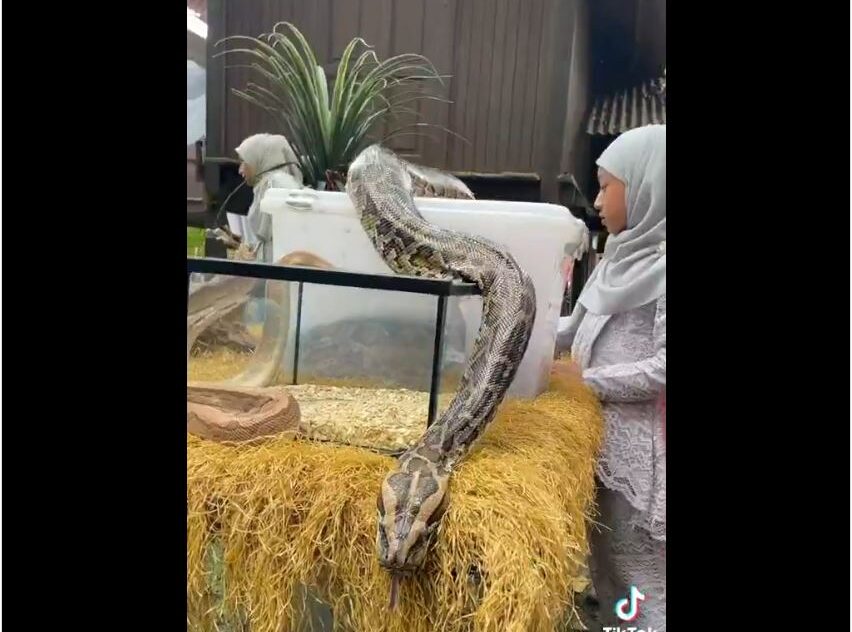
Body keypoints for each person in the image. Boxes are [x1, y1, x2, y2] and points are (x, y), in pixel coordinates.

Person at [554, 124, 666, 630]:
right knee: (607, 575)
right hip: (597, 442)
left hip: (639, 459)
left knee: (639, 585)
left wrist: (588, 381)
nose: (597, 200)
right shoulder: (616, 257)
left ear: (648, 187)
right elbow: (572, 328)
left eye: (606, 186)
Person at [232, 133, 302, 262]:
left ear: (259, 159)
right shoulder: (266, 185)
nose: (240, 170)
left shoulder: (278, 184)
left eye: (244, 162)